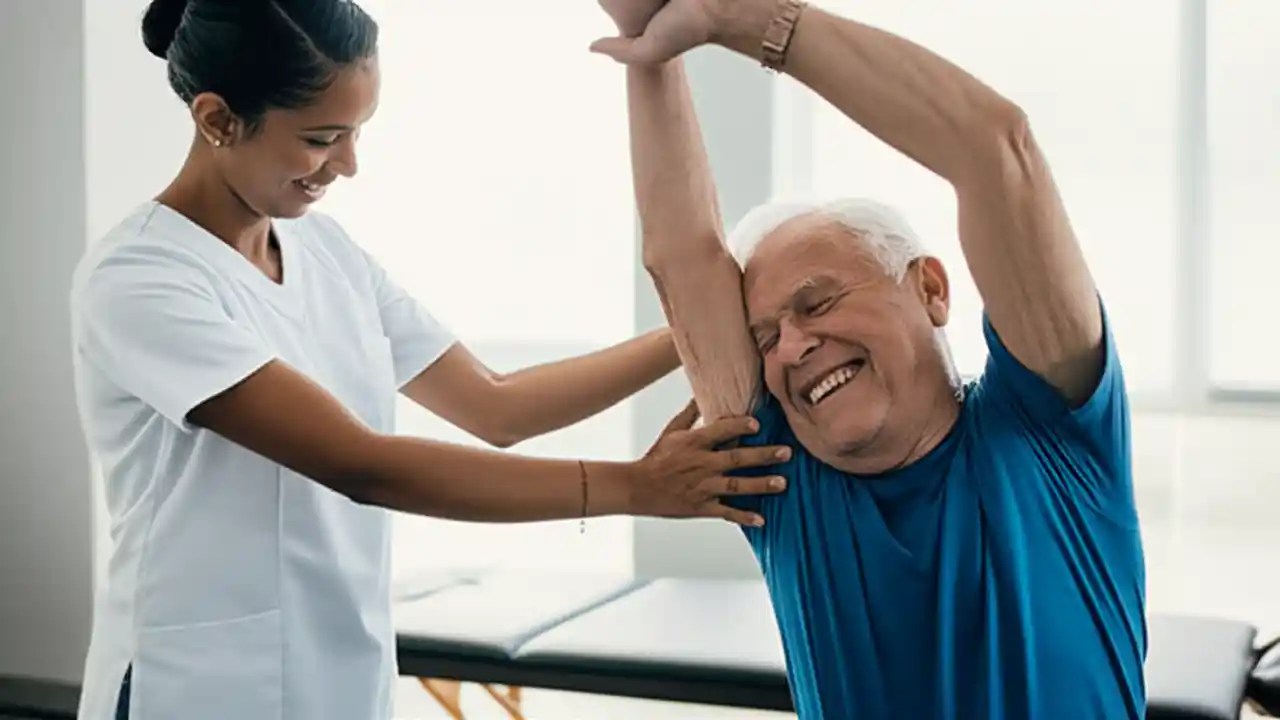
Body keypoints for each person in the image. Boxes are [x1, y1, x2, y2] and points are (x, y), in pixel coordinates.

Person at [68, 2, 792, 719]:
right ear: (218, 120)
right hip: (196, 686)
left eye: (357, 132)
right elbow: (363, 465)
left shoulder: (328, 253)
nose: (348, 164)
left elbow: (497, 404)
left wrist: (696, 324)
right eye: (322, 138)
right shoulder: (141, 279)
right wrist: (633, 487)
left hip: (340, 675)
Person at [593, 0, 1146, 717]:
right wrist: (645, 39)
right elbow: (680, 253)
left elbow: (994, 146)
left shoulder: (1051, 431)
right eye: (764, 337)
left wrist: (722, 15)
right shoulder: (780, 483)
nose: (790, 347)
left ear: (930, 289)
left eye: (817, 304)